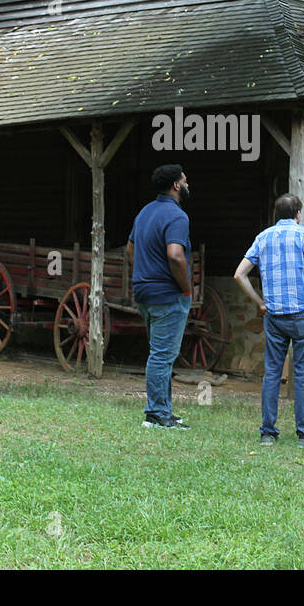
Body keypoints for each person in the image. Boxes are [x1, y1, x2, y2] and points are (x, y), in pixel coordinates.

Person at [233, 193, 304, 447]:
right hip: (303, 314)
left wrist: (259, 302)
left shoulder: (263, 238)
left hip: (274, 315)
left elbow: (239, 275)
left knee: (272, 373)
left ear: (277, 214)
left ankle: (268, 432)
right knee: (302, 373)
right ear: (298, 214)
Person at [127, 164, 193, 430]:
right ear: (176, 186)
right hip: (167, 294)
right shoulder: (177, 217)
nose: (189, 186)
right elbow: (175, 255)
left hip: (144, 292)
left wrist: (145, 274)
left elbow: (130, 251)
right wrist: (187, 288)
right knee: (162, 355)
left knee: (161, 353)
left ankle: (164, 409)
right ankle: (155, 413)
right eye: (186, 181)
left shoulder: (145, 212)